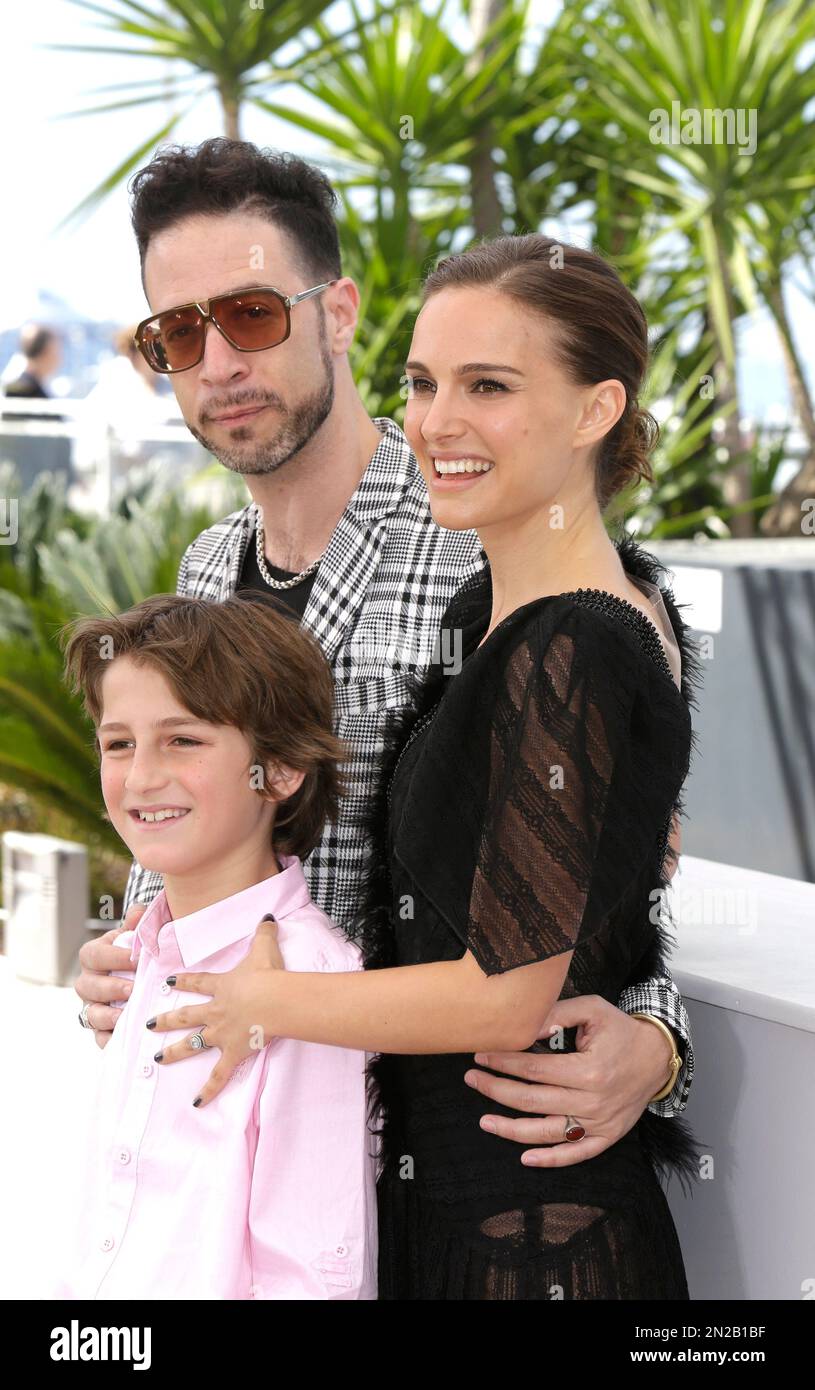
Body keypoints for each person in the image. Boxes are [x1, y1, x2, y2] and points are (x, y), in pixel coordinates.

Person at [74, 137, 695, 1185]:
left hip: (418, 1171)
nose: (218, 364)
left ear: (338, 313)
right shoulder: (205, 572)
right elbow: (186, 861)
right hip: (219, 1166)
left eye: (251, 314)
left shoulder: (497, 541)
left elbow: (628, 866)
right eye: (178, 332)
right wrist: (128, 957)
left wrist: (657, 1041)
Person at [55, 591, 377, 1300]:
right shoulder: (141, 953)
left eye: (183, 740)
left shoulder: (309, 977)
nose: (142, 777)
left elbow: (314, 1272)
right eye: (118, 743)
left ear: (281, 769)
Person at [2, 324, 64, 421]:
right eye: (56, 352)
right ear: (44, 353)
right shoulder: (21, 390)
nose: (59, 359)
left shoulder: (30, 387)